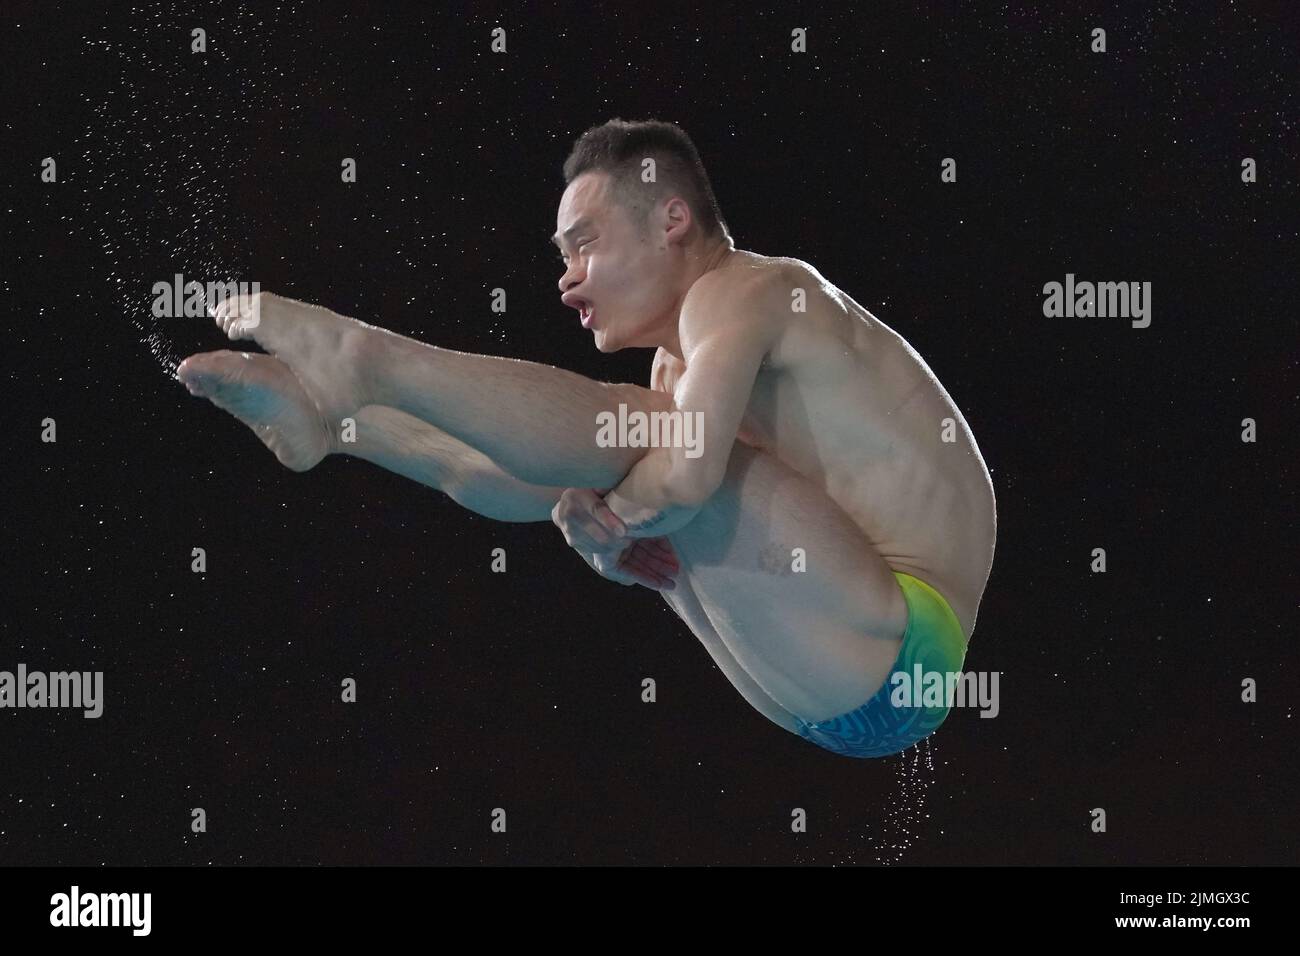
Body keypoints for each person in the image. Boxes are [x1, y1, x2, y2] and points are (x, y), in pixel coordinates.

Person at [177, 118, 996, 758]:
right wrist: (610, 535)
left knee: (641, 440)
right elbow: (668, 523)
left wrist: (627, 509)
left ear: (673, 218)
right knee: (603, 460)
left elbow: (681, 483)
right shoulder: (681, 373)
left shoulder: (746, 291)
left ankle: (368, 360)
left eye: (586, 245)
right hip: (825, 685)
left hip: (903, 646)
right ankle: (345, 426)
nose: (566, 278)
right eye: (561, 255)